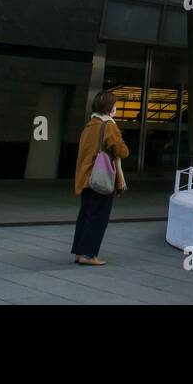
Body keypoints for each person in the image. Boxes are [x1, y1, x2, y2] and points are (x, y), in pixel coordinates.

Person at [71, 90, 128, 266]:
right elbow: (120, 150)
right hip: (101, 178)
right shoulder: (108, 125)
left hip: (86, 178)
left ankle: (80, 252)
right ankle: (89, 255)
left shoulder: (90, 125)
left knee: (86, 215)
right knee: (98, 217)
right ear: (110, 107)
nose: (116, 108)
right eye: (115, 105)